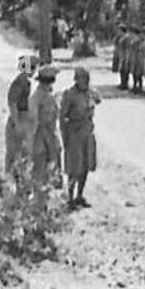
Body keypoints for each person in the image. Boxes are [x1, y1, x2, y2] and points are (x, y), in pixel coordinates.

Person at [60, 65, 100, 208]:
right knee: (74, 167)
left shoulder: (89, 93)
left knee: (86, 166)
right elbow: (62, 116)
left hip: (87, 131)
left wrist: (90, 92)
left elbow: (98, 100)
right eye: (83, 78)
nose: (86, 81)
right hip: (74, 132)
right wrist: (64, 135)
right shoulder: (69, 94)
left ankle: (80, 195)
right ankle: (70, 197)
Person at [30, 64, 63, 189]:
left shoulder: (47, 95)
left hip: (49, 132)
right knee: (44, 164)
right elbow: (34, 117)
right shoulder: (40, 97)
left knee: (53, 161)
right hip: (42, 134)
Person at [5, 54, 36, 173]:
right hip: (19, 119)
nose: (34, 70)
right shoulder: (20, 82)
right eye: (32, 67)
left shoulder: (25, 82)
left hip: (24, 119)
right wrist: (16, 122)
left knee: (23, 153)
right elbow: (12, 103)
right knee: (15, 152)